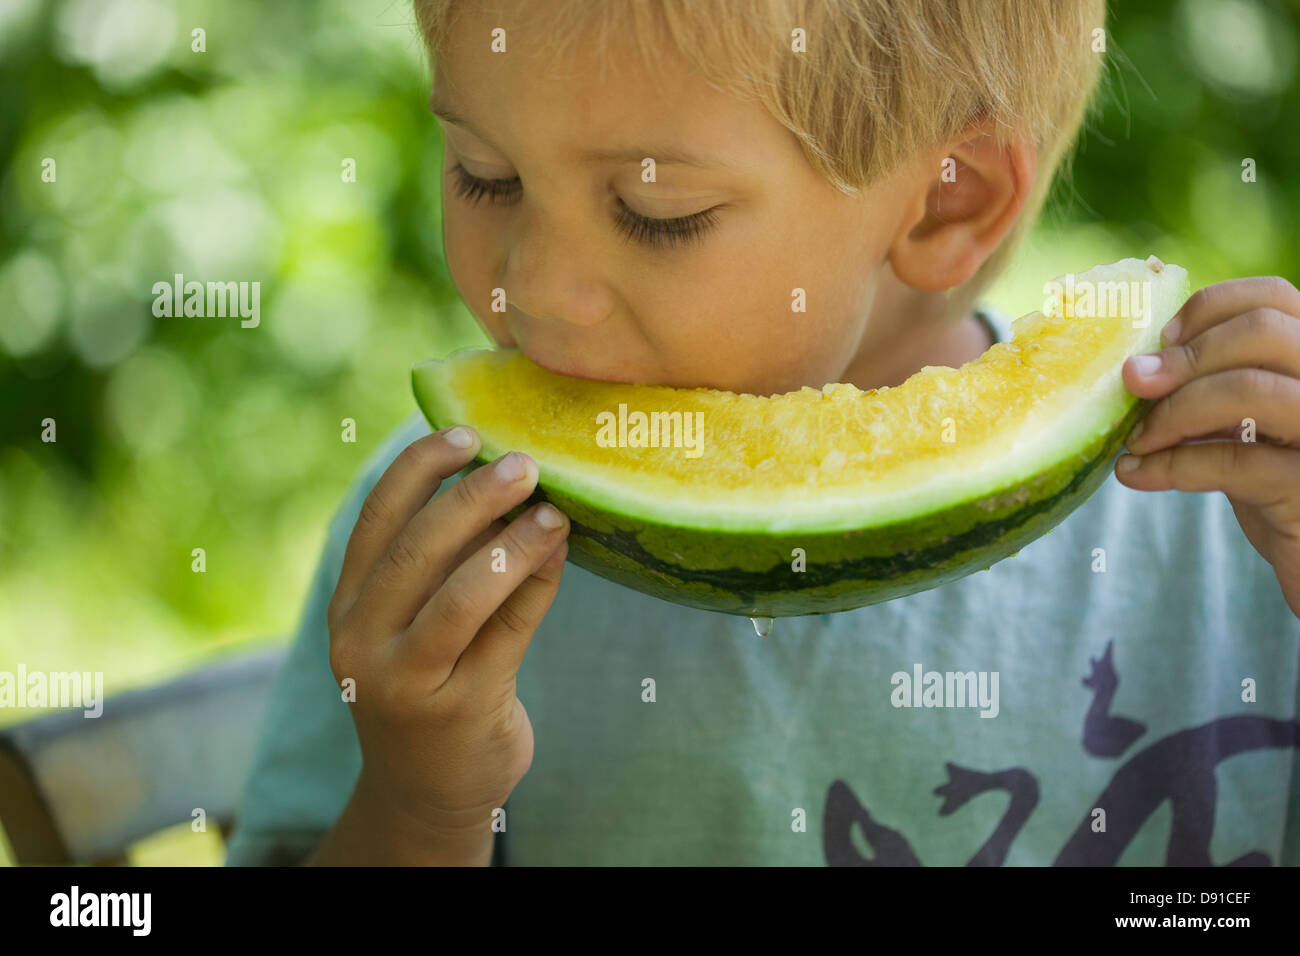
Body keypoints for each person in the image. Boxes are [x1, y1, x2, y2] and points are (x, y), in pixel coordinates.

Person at [225, 0, 1300, 866]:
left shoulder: (1232, 535)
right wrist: (416, 809)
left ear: (943, 202)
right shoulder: (437, 555)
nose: (532, 288)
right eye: (484, 173)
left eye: (657, 211)